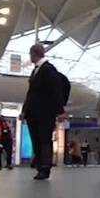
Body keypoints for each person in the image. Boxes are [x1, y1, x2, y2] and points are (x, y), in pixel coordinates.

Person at [20, 42, 68, 180]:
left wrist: (60, 111)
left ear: (34, 54)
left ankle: (45, 167)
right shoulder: (36, 70)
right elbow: (31, 93)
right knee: (36, 139)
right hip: (34, 112)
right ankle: (40, 164)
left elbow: (56, 91)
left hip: (45, 112)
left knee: (44, 139)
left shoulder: (48, 70)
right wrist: (25, 110)